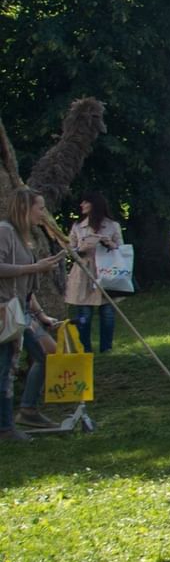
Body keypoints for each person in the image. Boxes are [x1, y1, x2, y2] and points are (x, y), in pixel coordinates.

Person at [1, 187, 66, 443]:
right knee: (5, 368)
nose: (43, 213)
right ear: (25, 208)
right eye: (40, 208)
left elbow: (25, 281)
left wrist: (41, 315)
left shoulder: (22, 236)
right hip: (6, 311)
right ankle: (5, 428)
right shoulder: (5, 231)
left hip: (22, 310)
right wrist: (35, 267)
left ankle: (27, 410)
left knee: (48, 353)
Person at [64, 192, 120, 352]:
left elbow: (121, 248)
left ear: (94, 204)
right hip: (84, 272)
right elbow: (69, 249)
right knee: (84, 313)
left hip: (105, 270)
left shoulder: (112, 225)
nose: (81, 205)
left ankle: (106, 348)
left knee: (108, 312)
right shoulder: (77, 225)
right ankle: (84, 349)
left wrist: (110, 244)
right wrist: (80, 249)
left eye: (85, 202)